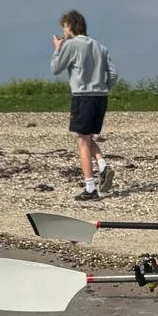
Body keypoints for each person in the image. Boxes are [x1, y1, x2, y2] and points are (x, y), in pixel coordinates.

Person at [50, 10, 117, 201]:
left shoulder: (71, 45)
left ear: (69, 26)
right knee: (87, 137)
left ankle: (90, 187)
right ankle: (103, 166)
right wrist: (103, 87)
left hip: (82, 96)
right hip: (100, 97)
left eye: (64, 26)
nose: (63, 30)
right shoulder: (100, 46)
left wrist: (58, 48)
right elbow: (113, 73)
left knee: (82, 140)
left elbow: (56, 69)